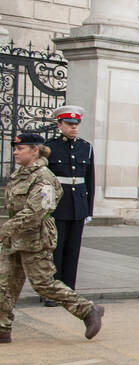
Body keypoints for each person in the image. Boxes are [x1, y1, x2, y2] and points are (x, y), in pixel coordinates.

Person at [0, 132, 104, 343]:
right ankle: (3, 327)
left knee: (43, 284)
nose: (16, 152)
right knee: (5, 283)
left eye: (20, 148)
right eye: (15, 148)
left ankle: (88, 310)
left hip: (35, 240)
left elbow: (35, 212)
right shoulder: (20, 174)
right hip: (15, 239)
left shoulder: (44, 178)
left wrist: (5, 229)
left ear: (34, 150)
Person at [44, 105, 94, 304]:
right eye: (69, 124)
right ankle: (53, 291)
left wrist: (88, 209)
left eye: (76, 124)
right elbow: (45, 181)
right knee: (56, 248)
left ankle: (69, 290)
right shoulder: (49, 148)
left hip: (78, 205)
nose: (74, 128)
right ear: (59, 125)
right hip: (58, 204)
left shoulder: (86, 147)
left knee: (73, 249)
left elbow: (89, 179)